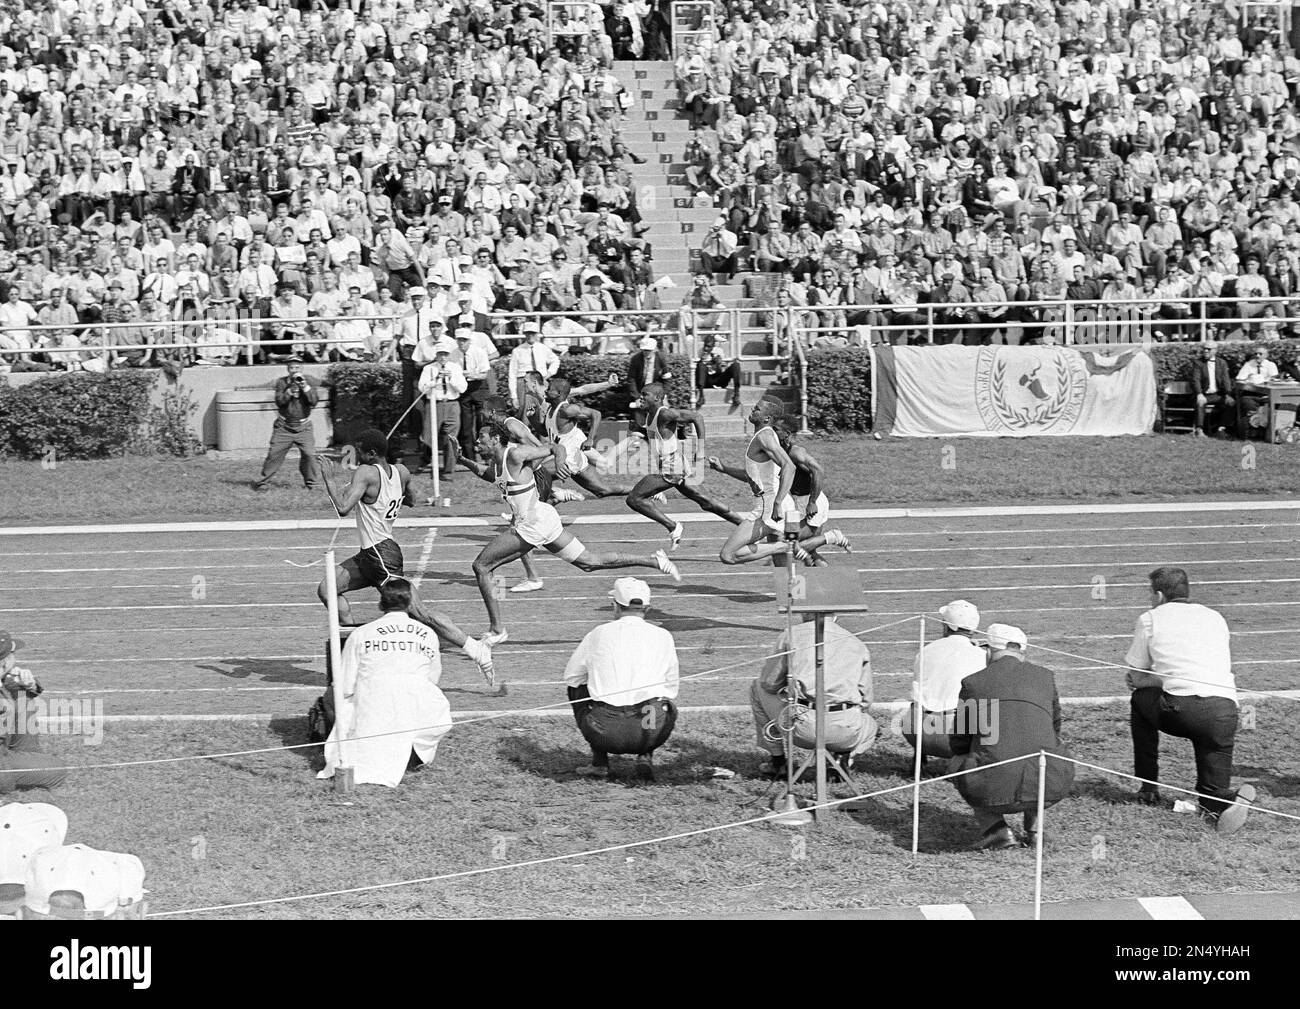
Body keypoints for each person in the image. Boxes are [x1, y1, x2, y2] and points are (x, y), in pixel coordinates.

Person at [465, 420, 681, 645]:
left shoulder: (515, 454)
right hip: (541, 519)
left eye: (482, 436)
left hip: (533, 524)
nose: (477, 440)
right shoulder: (498, 463)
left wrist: (559, 463)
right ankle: (653, 561)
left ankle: (497, 629)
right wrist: (462, 459)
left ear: (496, 439)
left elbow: (556, 447)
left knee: (482, 566)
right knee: (589, 562)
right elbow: (488, 474)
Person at [317, 578, 492, 788]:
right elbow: (432, 678)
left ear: (381, 604)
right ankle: (409, 752)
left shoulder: (360, 633)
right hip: (416, 705)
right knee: (425, 702)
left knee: (332, 695)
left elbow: (345, 684)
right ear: (410, 605)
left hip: (374, 705)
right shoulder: (428, 634)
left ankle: (360, 747)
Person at [1125, 567, 1255, 834]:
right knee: (1212, 791)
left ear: (1159, 595)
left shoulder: (1151, 618)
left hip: (1182, 709)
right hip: (1224, 710)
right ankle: (1224, 802)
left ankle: (1148, 786)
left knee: (1140, 700)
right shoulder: (1215, 617)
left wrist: (1153, 680)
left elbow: (1137, 677)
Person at [949, 624, 1075, 850]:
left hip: (994, 785)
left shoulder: (973, 683)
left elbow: (960, 740)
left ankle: (996, 829)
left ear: (988, 651)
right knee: (1036, 751)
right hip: (1053, 780)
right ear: (1023, 652)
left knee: (957, 762)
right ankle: (1036, 830)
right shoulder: (1046, 677)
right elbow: (1055, 728)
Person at [563, 578, 680, 781]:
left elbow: (572, 677)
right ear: (648, 608)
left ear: (615, 606)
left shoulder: (598, 633)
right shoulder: (663, 636)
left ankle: (599, 762)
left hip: (605, 729)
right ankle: (645, 755)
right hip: (649, 730)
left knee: (576, 688)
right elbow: (671, 687)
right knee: (664, 701)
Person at [719, 397, 848, 566]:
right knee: (781, 562)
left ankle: (787, 545)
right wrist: (723, 468)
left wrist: (778, 503)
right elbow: (755, 476)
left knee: (728, 555)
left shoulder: (765, 436)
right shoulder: (767, 437)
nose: (752, 410)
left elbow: (789, 466)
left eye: (757, 409)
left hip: (770, 506)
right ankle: (792, 591)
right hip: (779, 504)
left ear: (767, 418)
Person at [750, 609, 875, 780]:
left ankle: (778, 761)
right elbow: (866, 699)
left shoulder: (791, 635)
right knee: (871, 725)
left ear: (805, 613)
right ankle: (841, 759)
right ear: (835, 614)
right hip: (845, 732)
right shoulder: (856, 642)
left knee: (757, 687)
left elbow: (769, 683)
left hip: (801, 727)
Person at [624, 382, 741, 549]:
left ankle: (673, 527)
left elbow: (696, 417)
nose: (641, 398)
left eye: (645, 395)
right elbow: (659, 437)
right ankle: (744, 524)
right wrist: (640, 430)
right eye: (641, 394)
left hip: (672, 468)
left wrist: (700, 449)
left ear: (657, 398)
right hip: (674, 464)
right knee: (705, 502)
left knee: (635, 498)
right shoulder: (650, 415)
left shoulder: (665, 414)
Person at [317, 429, 413, 626]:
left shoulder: (366, 472)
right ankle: (350, 638)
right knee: (327, 590)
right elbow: (412, 499)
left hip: (382, 554)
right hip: (368, 555)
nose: (357, 457)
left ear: (372, 454)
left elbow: (343, 508)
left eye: (359, 452)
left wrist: (329, 479)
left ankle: (469, 644)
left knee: (417, 613)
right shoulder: (402, 471)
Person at [905, 600, 986, 763]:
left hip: (917, 733)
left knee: (918, 701)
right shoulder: (981, 656)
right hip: (955, 737)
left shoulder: (926, 650)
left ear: (946, 625)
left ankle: (918, 759)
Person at [0, 631, 67, 794]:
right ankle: (27, 767)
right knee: (58, 770)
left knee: (23, 697)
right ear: (4, 662)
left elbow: (30, 690)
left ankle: (29, 758)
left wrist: (29, 685)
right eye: (12, 653)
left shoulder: (5, 680)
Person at [252, 361, 320, 492]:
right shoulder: (282, 382)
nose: (295, 370)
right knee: (274, 454)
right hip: (284, 426)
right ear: (288, 369)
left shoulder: (308, 380)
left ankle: (312, 483)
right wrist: (289, 391)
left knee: (310, 454)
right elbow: (280, 402)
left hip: (303, 427)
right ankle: (263, 482)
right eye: (292, 367)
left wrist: (305, 387)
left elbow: (313, 401)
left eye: (297, 367)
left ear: (302, 368)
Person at [416, 339, 467, 483]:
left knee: (451, 438)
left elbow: (462, 388)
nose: (443, 357)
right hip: (434, 404)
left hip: (452, 404)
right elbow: (422, 388)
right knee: (428, 436)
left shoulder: (455, 367)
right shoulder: (429, 369)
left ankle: (448, 471)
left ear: (449, 355)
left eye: (445, 354)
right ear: (436, 355)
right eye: (440, 354)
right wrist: (436, 379)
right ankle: (424, 461)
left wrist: (450, 378)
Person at [508, 321, 560, 409]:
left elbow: (555, 360)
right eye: (527, 333)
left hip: (541, 381)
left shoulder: (543, 348)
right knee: (525, 411)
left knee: (544, 408)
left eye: (533, 333)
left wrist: (549, 373)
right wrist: (514, 397)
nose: (530, 336)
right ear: (524, 334)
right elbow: (512, 374)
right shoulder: (517, 351)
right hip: (524, 382)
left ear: (537, 334)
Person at [1190, 343, 1235, 437]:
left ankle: (1221, 428)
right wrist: (1199, 394)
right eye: (1204, 349)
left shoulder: (1221, 363)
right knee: (1200, 402)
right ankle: (1199, 429)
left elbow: (1226, 379)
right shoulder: (1198, 362)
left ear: (1215, 350)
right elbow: (1196, 380)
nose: (1206, 351)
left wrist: (1228, 394)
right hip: (1203, 394)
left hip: (1217, 394)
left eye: (1209, 349)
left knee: (1231, 403)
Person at [1234, 345, 1279, 438]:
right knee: (1247, 403)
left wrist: (1266, 380)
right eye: (1256, 354)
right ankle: (1250, 431)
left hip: (1267, 394)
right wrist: (1250, 380)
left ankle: (1268, 432)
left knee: (1273, 404)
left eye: (1260, 354)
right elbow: (1239, 378)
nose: (1257, 356)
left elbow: (1274, 379)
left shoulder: (1270, 365)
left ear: (1266, 355)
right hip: (1251, 393)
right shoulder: (1249, 364)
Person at [694, 332, 742, 408]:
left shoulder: (719, 351)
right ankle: (701, 396)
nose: (706, 348)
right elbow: (697, 370)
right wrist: (703, 360)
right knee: (701, 365)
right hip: (706, 380)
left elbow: (722, 370)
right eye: (705, 346)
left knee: (736, 365)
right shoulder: (700, 352)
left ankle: (736, 394)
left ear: (713, 346)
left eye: (709, 346)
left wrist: (717, 364)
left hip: (719, 379)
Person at [625, 335, 673, 399]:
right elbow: (631, 379)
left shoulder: (661, 358)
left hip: (656, 390)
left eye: (649, 350)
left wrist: (664, 393)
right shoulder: (635, 359)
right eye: (644, 350)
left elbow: (667, 378)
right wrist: (636, 396)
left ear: (655, 349)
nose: (646, 352)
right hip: (640, 390)